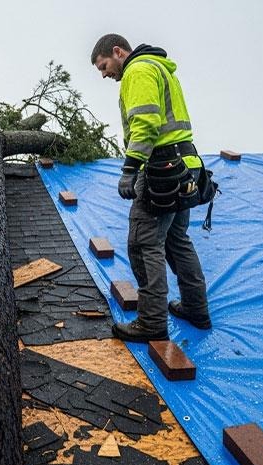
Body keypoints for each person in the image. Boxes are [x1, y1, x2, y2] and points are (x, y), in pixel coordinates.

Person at [90, 33, 211, 342]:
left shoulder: (138, 70)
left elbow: (146, 123)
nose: (105, 75)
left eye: (104, 66)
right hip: (186, 166)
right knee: (176, 240)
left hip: (161, 169)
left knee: (144, 244)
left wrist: (130, 170)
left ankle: (152, 322)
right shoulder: (160, 68)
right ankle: (196, 308)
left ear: (118, 52)